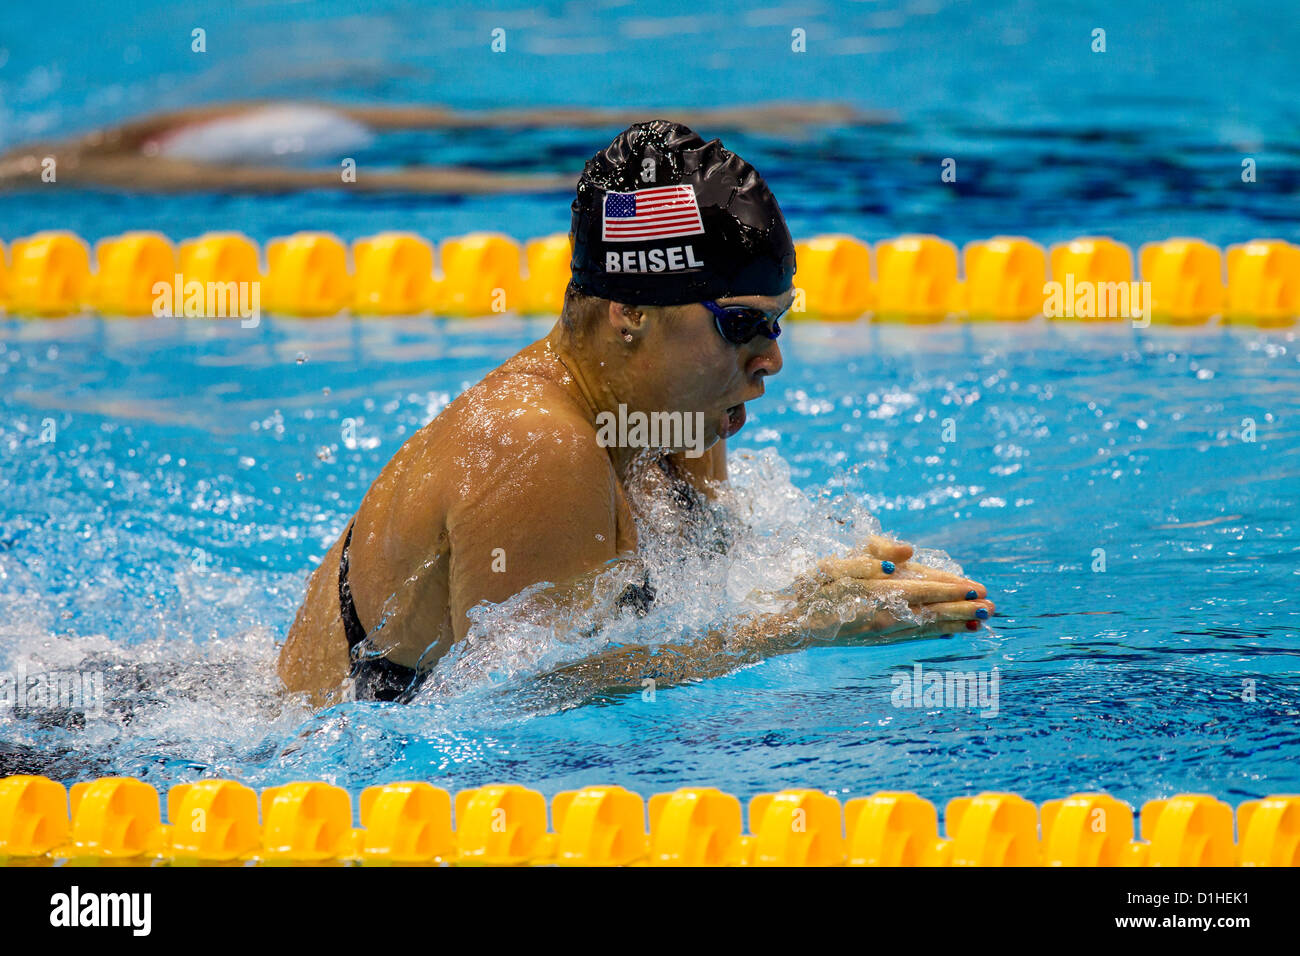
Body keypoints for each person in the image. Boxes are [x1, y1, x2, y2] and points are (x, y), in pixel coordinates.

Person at [277, 120, 992, 705]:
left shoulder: (676, 417)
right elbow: (523, 701)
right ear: (630, 312)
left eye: (779, 323)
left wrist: (837, 589)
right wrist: (798, 626)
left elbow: (711, 590)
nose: (771, 359)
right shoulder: (538, 450)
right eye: (741, 325)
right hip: (308, 770)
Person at [0, 100, 879, 194]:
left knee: (412, 177)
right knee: (509, 133)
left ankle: (564, 189)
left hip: (209, 151)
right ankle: (764, 116)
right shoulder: (64, 144)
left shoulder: (38, 176)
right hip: (249, 117)